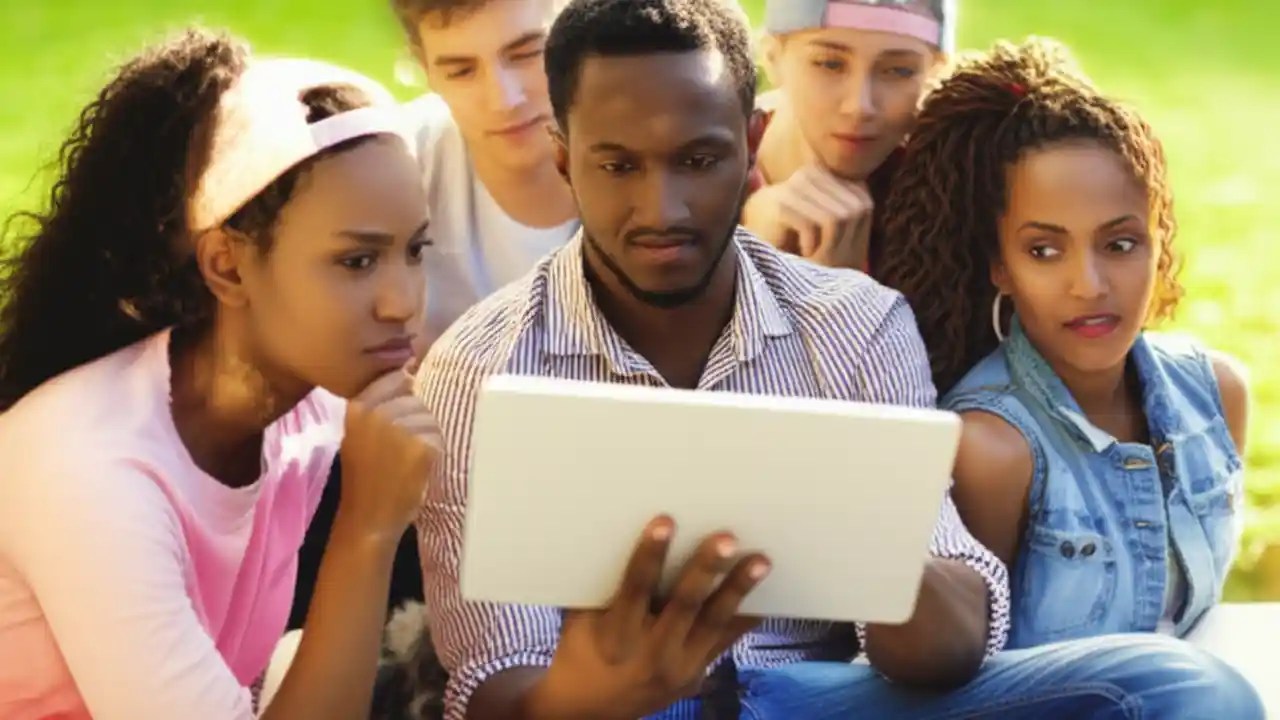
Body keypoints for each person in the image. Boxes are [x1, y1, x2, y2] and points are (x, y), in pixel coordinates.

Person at [414, 2, 1264, 719]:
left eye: (699, 160)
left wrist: (870, 556)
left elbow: (953, 638)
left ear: (752, 141)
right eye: (617, 165)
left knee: (1187, 689)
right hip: (616, 712)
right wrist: (588, 692)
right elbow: (489, 681)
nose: (661, 206)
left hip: (823, 700)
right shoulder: (478, 369)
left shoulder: (853, 323)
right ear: (564, 156)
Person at [0, 29, 441, 719]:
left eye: (415, 251)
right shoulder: (93, 471)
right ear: (226, 266)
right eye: (357, 262)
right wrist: (367, 530)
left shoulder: (308, 412)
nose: (402, 301)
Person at [875, 39, 1252, 650]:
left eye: (1120, 244)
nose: (1090, 285)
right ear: (1000, 266)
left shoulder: (1217, 396)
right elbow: (968, 668)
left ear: (1159, 241)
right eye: (1045, 250)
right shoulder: (992, 450)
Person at [392, 0, 579, 344]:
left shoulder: (667, 155)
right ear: (426, 70)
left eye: (527, 54)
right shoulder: (393, 168)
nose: (504, 100)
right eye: (461, 72)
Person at [742, 0, 954, 273]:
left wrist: (843, 290)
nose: (859, 106)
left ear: (936, 74)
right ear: (772, 58)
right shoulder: (700, 170)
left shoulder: (947, 205)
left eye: (899, 70)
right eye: (829, 64)